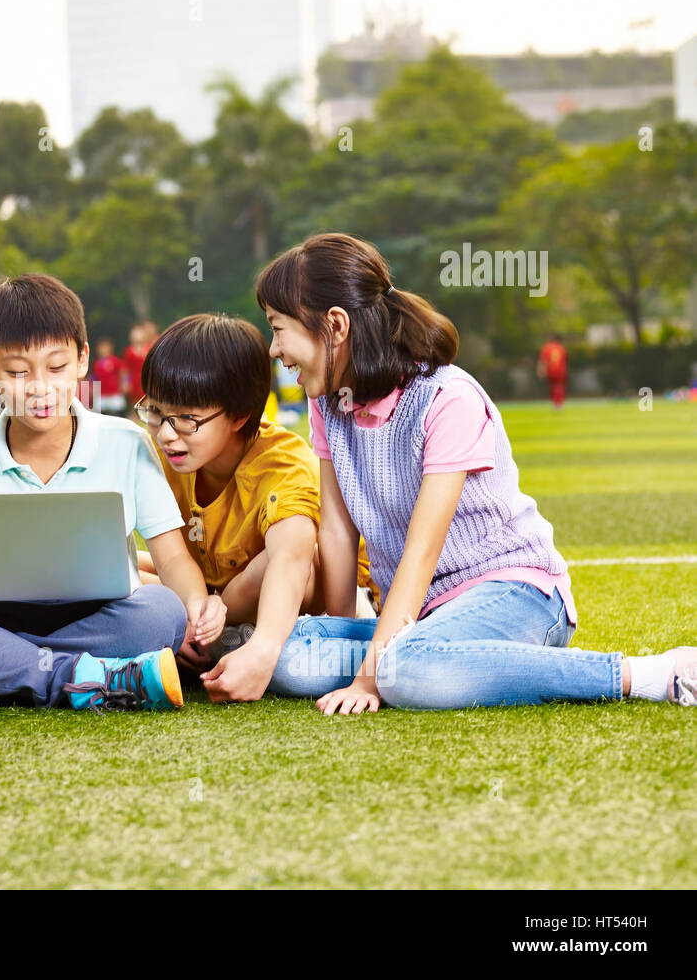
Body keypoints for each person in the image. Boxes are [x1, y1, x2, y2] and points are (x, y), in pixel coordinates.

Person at [254, 232, 696, 714]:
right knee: (290, 654)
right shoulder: (327, 403)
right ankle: (415, 656)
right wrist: (339, 638)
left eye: (279, 329)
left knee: (406, 672)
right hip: (422, 614)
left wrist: (366, 678)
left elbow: (422, 554)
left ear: (335, 325)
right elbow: (338, 531)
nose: (275, 350)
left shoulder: (448, 398)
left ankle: (646, 673)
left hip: (517, 593)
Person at [0, 273, 225, 714]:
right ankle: (81, 677)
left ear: (82, 361)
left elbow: (171, 558)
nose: (41, 387)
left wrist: (197, 605)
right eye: (18, 372)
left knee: (162, 612)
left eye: (56, 368)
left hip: (96, 615)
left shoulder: (127, 442)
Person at [132, 313, 378, 700]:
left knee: (273, 565)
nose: (165, 433)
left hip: (298, 594)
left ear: (239, 415)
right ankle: (207, 633)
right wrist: (199, 605)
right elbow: (168, 560)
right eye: (156, 413)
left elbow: (292, 558)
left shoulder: (282, 463)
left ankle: (218, 639)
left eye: (186, 420)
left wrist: (262, 650)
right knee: (124, 570)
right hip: (207, 588)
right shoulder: (163, 457)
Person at [88, 337, 126, 416]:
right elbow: (94, 378)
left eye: (105, 347)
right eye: (101, 347)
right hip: (102, 395)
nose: (103, 350)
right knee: (101, 414)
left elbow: (122, 373)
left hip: (114, 394)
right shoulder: (96, 364)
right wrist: (92, 389)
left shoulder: (115, 361)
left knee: (118, 413)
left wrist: (124, 384)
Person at [537, 333, 569, 410]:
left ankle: (554, 403)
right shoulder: (562, 348)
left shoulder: (546, 347)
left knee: (552, 387)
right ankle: (559, 403)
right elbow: (565, 361)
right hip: (560, 371)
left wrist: (540, 370)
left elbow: (543, 361)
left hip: (550, 370)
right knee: (559, 387)